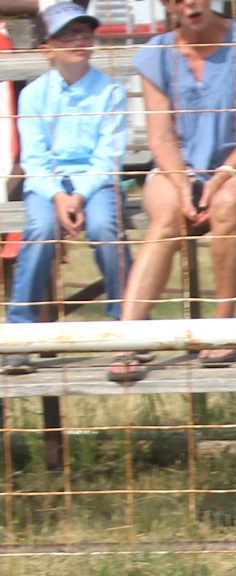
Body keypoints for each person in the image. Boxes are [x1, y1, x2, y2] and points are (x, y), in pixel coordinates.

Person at [107, 0, 236, 383]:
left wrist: (223, 173)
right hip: (177, 169)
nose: (188, 4)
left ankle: (222, 326)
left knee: (227, 202)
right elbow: (160, 136)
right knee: (168, 214)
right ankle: (126, 338)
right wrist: (182, 181)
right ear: (166, 5)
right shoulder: (156, 53)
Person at [3, 2, 129, 377]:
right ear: (47, 48)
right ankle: (19, 332)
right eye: (67, 35)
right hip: (48, 186)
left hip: (97, 182)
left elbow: (109, 157)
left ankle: (129, 323)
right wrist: (59, 195)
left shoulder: (111, 92)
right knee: (40, 230)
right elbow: (35, 160)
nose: (79, 40)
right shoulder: (34, 95)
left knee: (107, 226)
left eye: (84, 32)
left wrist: (79, 194)